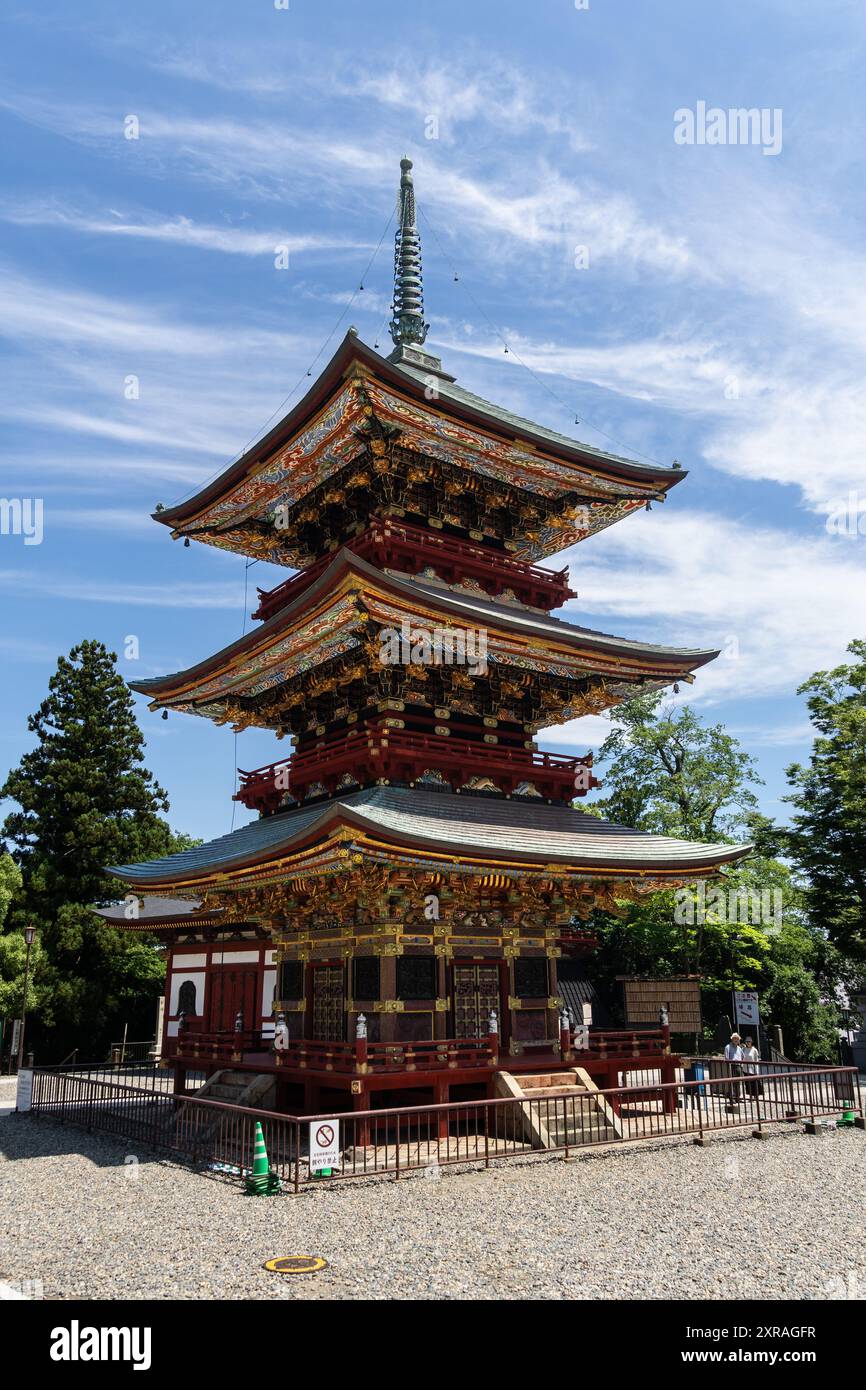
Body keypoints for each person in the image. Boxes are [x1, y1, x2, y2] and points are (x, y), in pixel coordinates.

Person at [723, 1032, 743, 1107]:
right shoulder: (728, 1047)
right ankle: (732, 1098)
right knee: (732, 1083)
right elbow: (727, 1057)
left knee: (738, 1082)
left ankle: (738, 1097)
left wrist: (741, 1064)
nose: (736, 1040)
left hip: (738, 1066)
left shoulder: (739, 1048)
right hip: (731, 1066)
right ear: (732, 1039)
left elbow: (742, 1056)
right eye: (734, 1038)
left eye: (737, 1039)